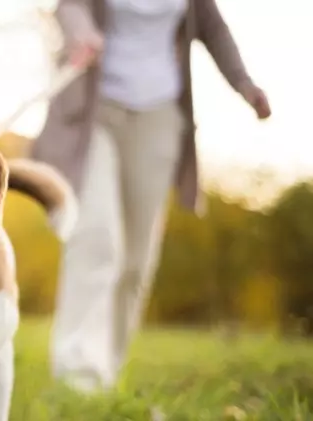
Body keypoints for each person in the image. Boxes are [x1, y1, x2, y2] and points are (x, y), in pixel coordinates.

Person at [31, 0, 271, 393]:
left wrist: (244, 84)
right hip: (94, 108)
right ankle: (77, 374)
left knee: (136, 260)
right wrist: (82, 32)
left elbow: (214, 30)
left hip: (159, 116)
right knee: (96, 237)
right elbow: (69, 5)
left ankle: (105, 369)